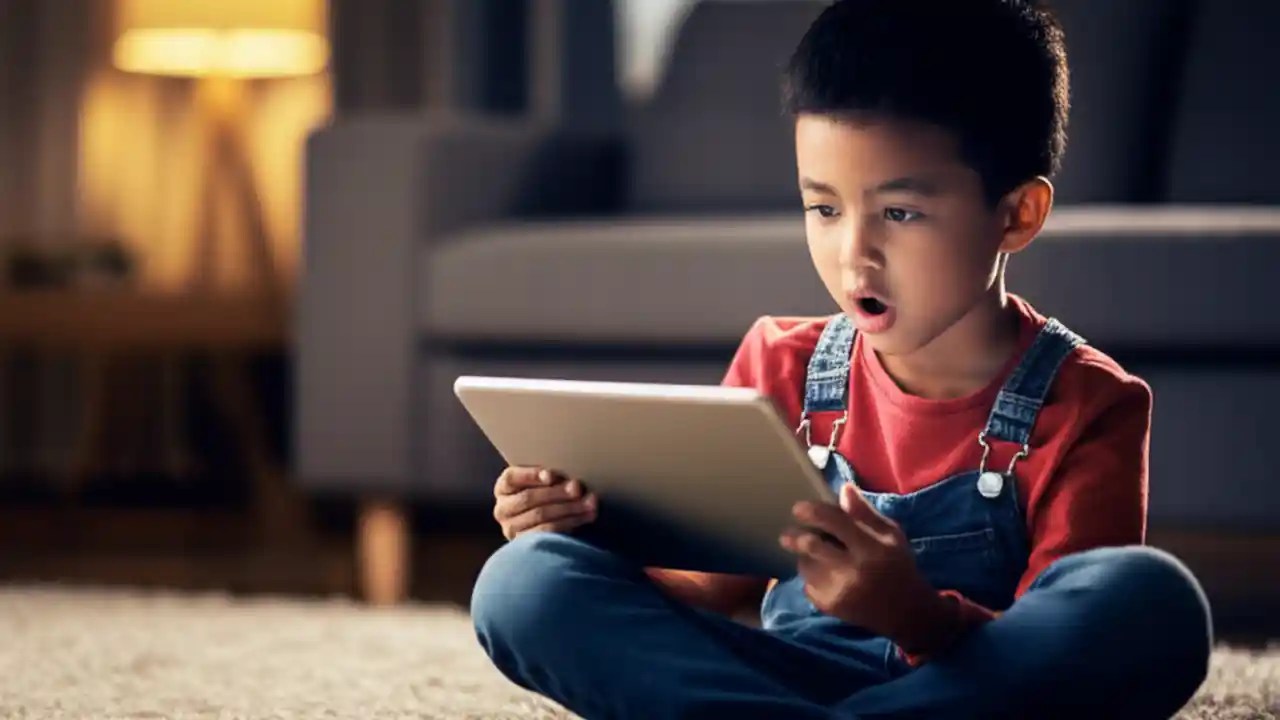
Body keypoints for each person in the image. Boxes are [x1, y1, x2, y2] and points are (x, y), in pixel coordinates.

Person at [469, 1, 1213, 717]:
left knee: (1149, 599)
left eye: (899, 213)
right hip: (778, 681)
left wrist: (913, 614)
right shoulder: (782, 364)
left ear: (1017, 214)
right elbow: (706, 588)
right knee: (522, 581)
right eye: (823, 208)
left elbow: (1056, 645)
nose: (854, 253)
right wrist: (577, 530)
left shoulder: (1088, 404)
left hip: (969, 689)